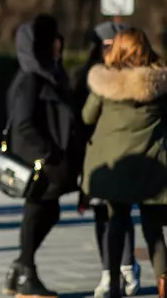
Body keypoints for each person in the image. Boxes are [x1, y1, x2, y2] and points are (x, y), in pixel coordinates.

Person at [81, 28, 167, 298]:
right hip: (152, 164)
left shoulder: (106, 85)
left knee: (116, 221)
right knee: (153, 227)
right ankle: (164, 279)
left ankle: (115, 284)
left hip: (116, 166)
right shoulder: (159, 83)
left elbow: (86, 117)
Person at [2, 15, 79, 298]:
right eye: (52, 40)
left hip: (47, 161)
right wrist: (47, 153)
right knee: (37, 213)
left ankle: (19, 270)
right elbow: (22, 122)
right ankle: (26, 275)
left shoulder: (50, 72)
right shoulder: (31, 77)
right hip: (38, 163)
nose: (59, 43)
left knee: (47, 211)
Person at [72, 21, 140, 298]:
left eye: (115, 45)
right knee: (102, 212)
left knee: (121, 212)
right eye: (105, 45)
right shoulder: (90, 77)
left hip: (125, 154)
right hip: (96, 154)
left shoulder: (136, 75)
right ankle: (108, 271)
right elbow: (82, 118)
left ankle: (125, 266)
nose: (110, 51)